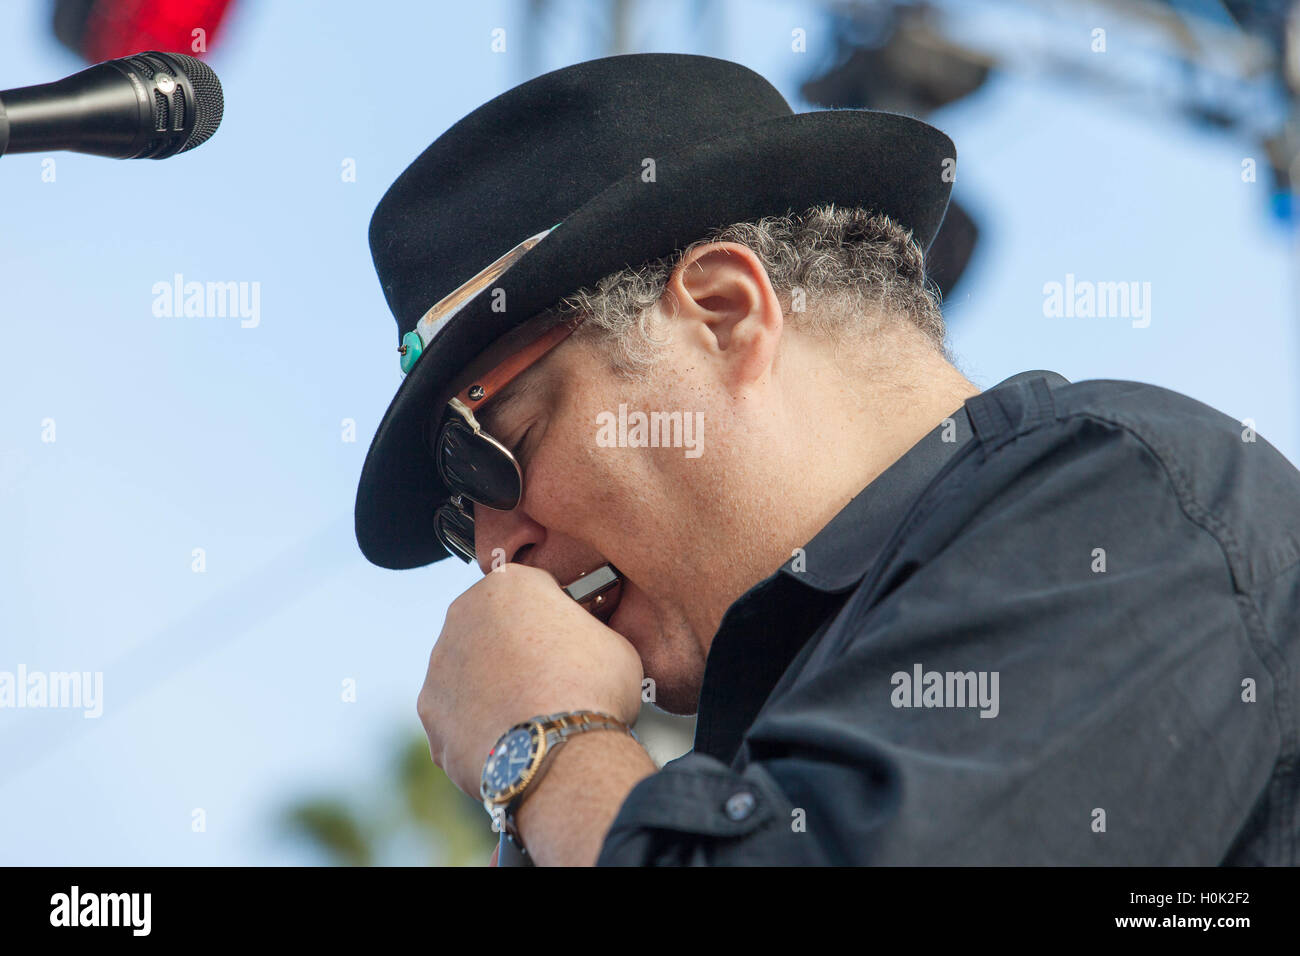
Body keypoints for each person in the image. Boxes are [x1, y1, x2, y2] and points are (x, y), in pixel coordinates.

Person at [355, 53, 1300, 865]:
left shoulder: (1119, 504)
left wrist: (547, 747)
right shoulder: (755, 752)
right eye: (456, 519)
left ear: (724, 314)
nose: (492, 555)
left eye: (493, 452)